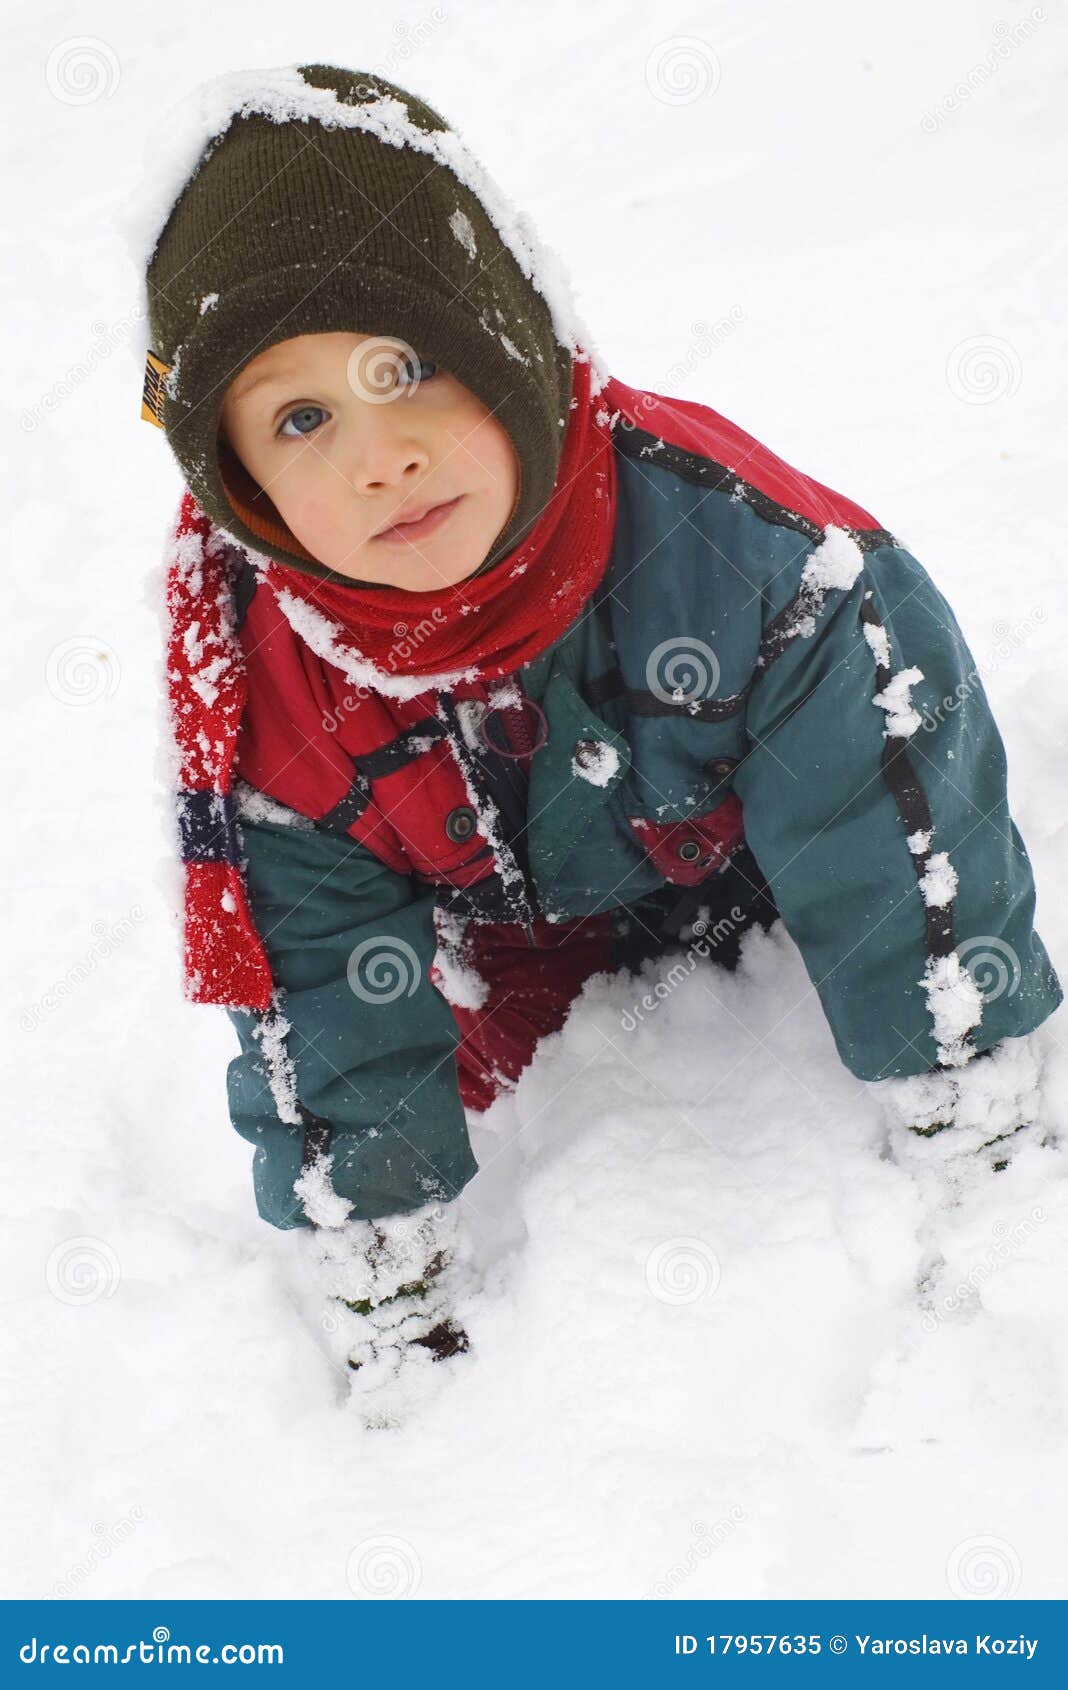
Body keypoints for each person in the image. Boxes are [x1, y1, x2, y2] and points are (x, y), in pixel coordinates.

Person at [141, 63, 1062, 1421]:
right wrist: (388, 1280)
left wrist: (971, 1122)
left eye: (406, 368)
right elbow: (318, 973)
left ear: (507, 336)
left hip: (745, 866)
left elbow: (883, 821)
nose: (380, 456)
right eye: (300, 419)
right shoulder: (268, 690)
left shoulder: (750, 564)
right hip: (501, 920)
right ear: (241, 489)